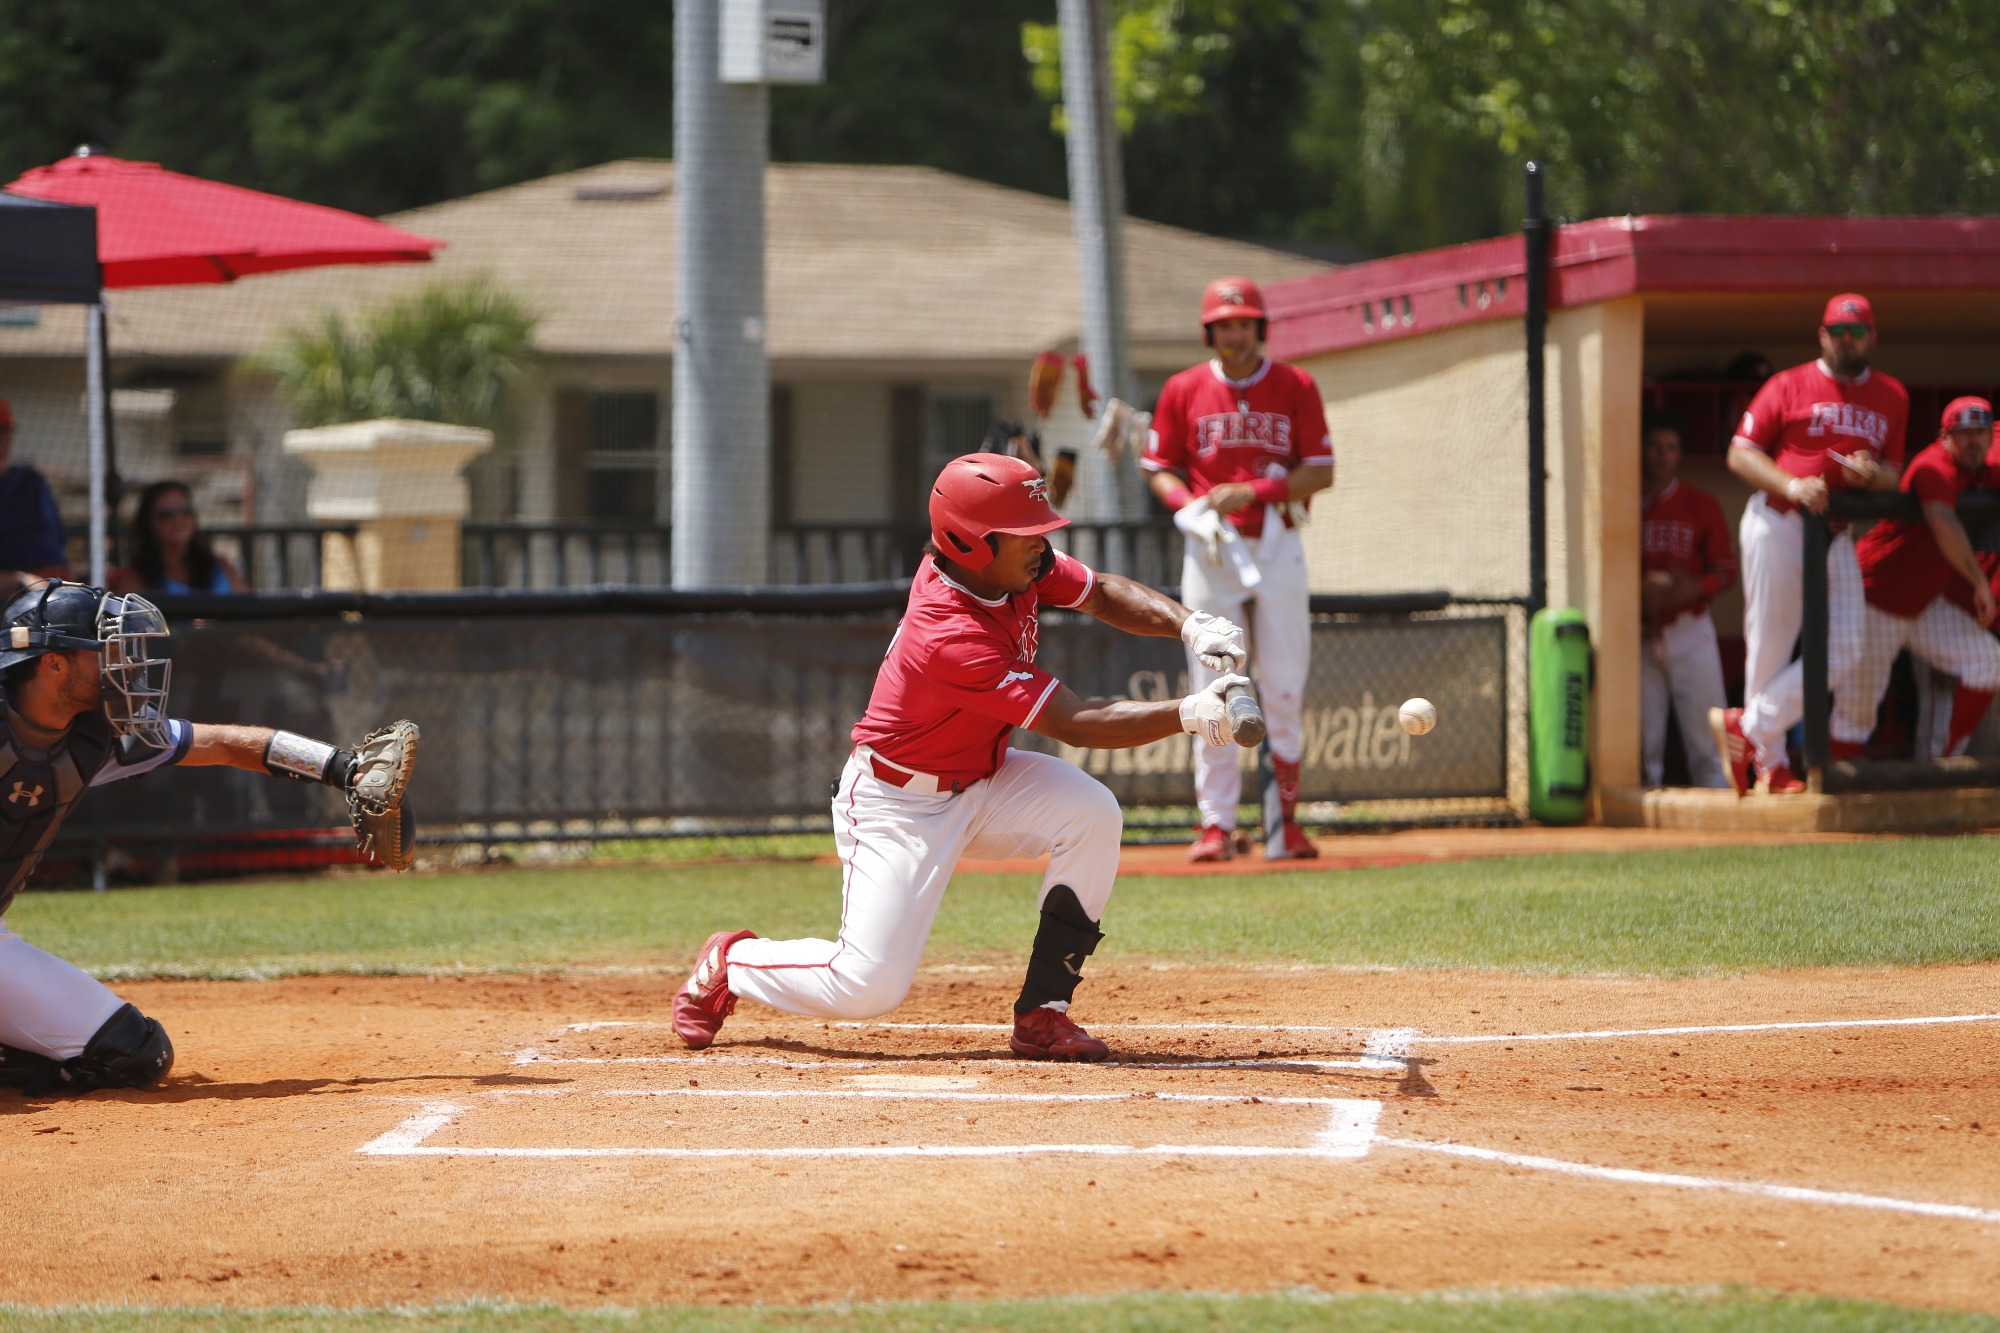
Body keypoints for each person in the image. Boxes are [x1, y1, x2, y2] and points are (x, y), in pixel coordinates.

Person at [670, 453, 1259, 1062]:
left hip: (985, 775)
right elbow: (1074, 723)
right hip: (899, 803)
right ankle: (733, 962)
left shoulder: (1012, 571)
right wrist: (1191, 713)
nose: (1040, 546)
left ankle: (1042, 1014)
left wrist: (1192, 626)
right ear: (970, 544)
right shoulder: (948, 634)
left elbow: (1103, 593)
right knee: (866, 987)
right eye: (1024, 535)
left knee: (1092, 812)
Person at [0, 580, 417, 1097]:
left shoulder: (96, 737)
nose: (122, 667)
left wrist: (343, 769)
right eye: (104, 652)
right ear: (53, 664)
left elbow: (226, 744)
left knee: (135, 1055)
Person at [1140, 277, 1335, 860]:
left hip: (1276, 540)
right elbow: (1160, 468)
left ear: (1259, 328)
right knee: (1212, 685)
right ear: (1210, 331)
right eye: (1225, 325)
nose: (1235, 334)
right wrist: (1188, 509)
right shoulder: (1183, 388)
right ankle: (1216, 824)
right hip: (1212, 548)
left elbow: (1320, 470)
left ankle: (1284, 822)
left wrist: (1252, 491)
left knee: (1282, 684)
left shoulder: (1296, 384)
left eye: (1244, 323)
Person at [1710, 294, 1908, 795]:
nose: (1847, 340)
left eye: (1856, 332)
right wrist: (1791, 485)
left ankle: (1749, 727)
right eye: (1837, 332)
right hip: (1780, 520)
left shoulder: (1892, 395)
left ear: (1872, 336)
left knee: (1847, 649)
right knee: (1770, 647)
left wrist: (1871, 475)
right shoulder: (1789, 383)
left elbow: (1896, 472)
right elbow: (1741, 453)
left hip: (1837, 532)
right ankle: (1770, 765)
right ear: (1822, 336)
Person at [1840, 398, 2000, 758]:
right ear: (1945, 437)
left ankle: (1950, 761)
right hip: (1875, 598)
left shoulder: (1986, 457)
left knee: (1988, 662)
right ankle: (1835, 788)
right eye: (1964, 434)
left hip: (1924, 604)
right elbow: (1943, 523)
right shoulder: (1933, 466)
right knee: (1858, 711)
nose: (1973, 441)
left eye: (1981, 433)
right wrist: (1978, 582)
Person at [1638, 411, 1735, 788]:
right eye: (1654, 447)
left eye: (1671, 448)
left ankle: (1724, 828)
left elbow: (1726, 571)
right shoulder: (1621, 501)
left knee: (1708, 745)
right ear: (1641, 450)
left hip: (1690, 631)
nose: (1662, 455)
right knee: (1646, 751)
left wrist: (1693, 588)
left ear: (1680, 454)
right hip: (1640, 635)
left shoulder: (1700, 502)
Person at [109, 481, 242, 595]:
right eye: (166, 514)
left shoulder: (221, 567)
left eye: (185, 511)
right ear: (149, 523)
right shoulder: (138, 578)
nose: (178, 520)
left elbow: (248, 612)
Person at [0, 396, 70, 598]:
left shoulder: (29, 481)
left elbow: (56, 551)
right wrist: (20, 579)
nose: (2, 441)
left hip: (41, 594)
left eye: (5, 432)